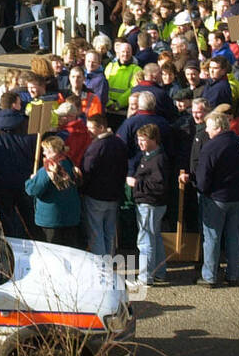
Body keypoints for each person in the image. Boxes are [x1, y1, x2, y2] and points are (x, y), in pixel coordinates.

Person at [194, 112, 239, 287]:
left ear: (218, 128)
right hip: (236, 197)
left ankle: (209, 276)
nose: (207, 131)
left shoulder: (210, 147)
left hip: (216, 198)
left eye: (209, 127)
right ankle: (234, 274)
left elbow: (203, 178)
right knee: (233, 236)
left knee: (212, 237)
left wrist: (201, 189)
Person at [80, 114, 128, 256]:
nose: (88, 131)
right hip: (114, 195)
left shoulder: (96, 146)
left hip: (96, 195)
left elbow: (87, 170)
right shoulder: (119, 143)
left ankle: (100, 264)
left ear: (101, 128)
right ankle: (109, 261)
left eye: (91, 128)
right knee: (110, 232)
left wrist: (81, 185)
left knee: (96, 232)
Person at [127, 124, 169, 286]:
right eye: (138, 140)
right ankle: (159, 272)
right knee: (155, 237)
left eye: (143, 140)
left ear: (154, 140)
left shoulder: (157, 159)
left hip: (150, 204)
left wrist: (136, 183)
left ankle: (145, 278)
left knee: (145, 241)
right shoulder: (150, 155)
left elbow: (158, 185)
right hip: (153, 204)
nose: (140, 143)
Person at [24, 135, 82, 246]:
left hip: (51, 219)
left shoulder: (49, 168)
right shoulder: (68, 162)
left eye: (46, 150)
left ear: (53, 151)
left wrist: (32, 180)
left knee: (52, 253)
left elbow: (32, 190)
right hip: (70, 217)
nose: (44, 153)